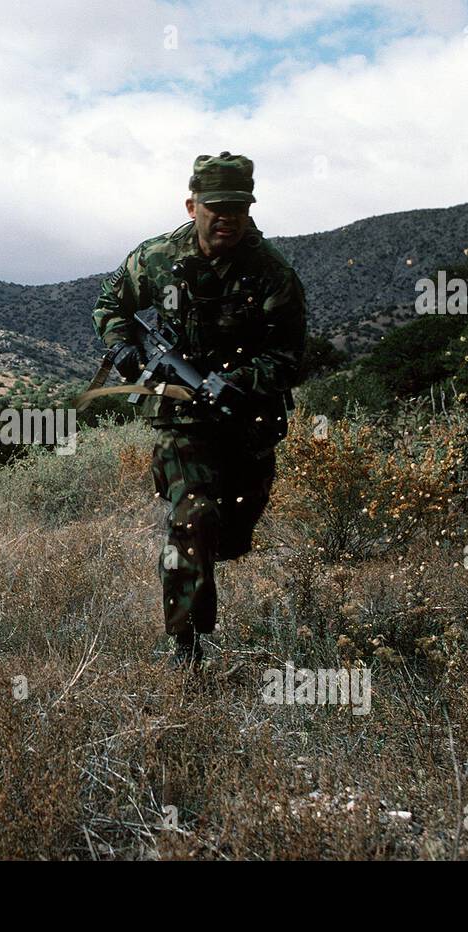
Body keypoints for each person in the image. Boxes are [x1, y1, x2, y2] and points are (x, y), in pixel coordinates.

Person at [91, 153, 308, 669]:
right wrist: (122, 347)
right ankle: (185, 649)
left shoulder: (272, 274)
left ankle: (208, 569)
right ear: (192, 206)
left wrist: (236, 383)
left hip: (245, 419)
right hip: (180, 417)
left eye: (238, 206)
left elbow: (290, 354)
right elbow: (109, 304)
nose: (226, 216)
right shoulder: (155, 258)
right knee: (192, 519)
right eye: (215, 206)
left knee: (232, 534)